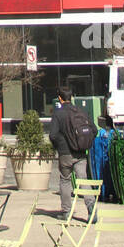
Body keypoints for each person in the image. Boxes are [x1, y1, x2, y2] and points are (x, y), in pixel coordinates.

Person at [48, 87, 96, 220]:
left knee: (65, 180)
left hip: (65, 153)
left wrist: (60, 145)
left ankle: (66, 212)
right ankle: (91, 207)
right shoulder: (80, 111)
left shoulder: (58, 113)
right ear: (72, 97)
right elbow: (94, 130)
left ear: (60, 98)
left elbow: (52, 135)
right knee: (83, 180)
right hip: (80, 152)